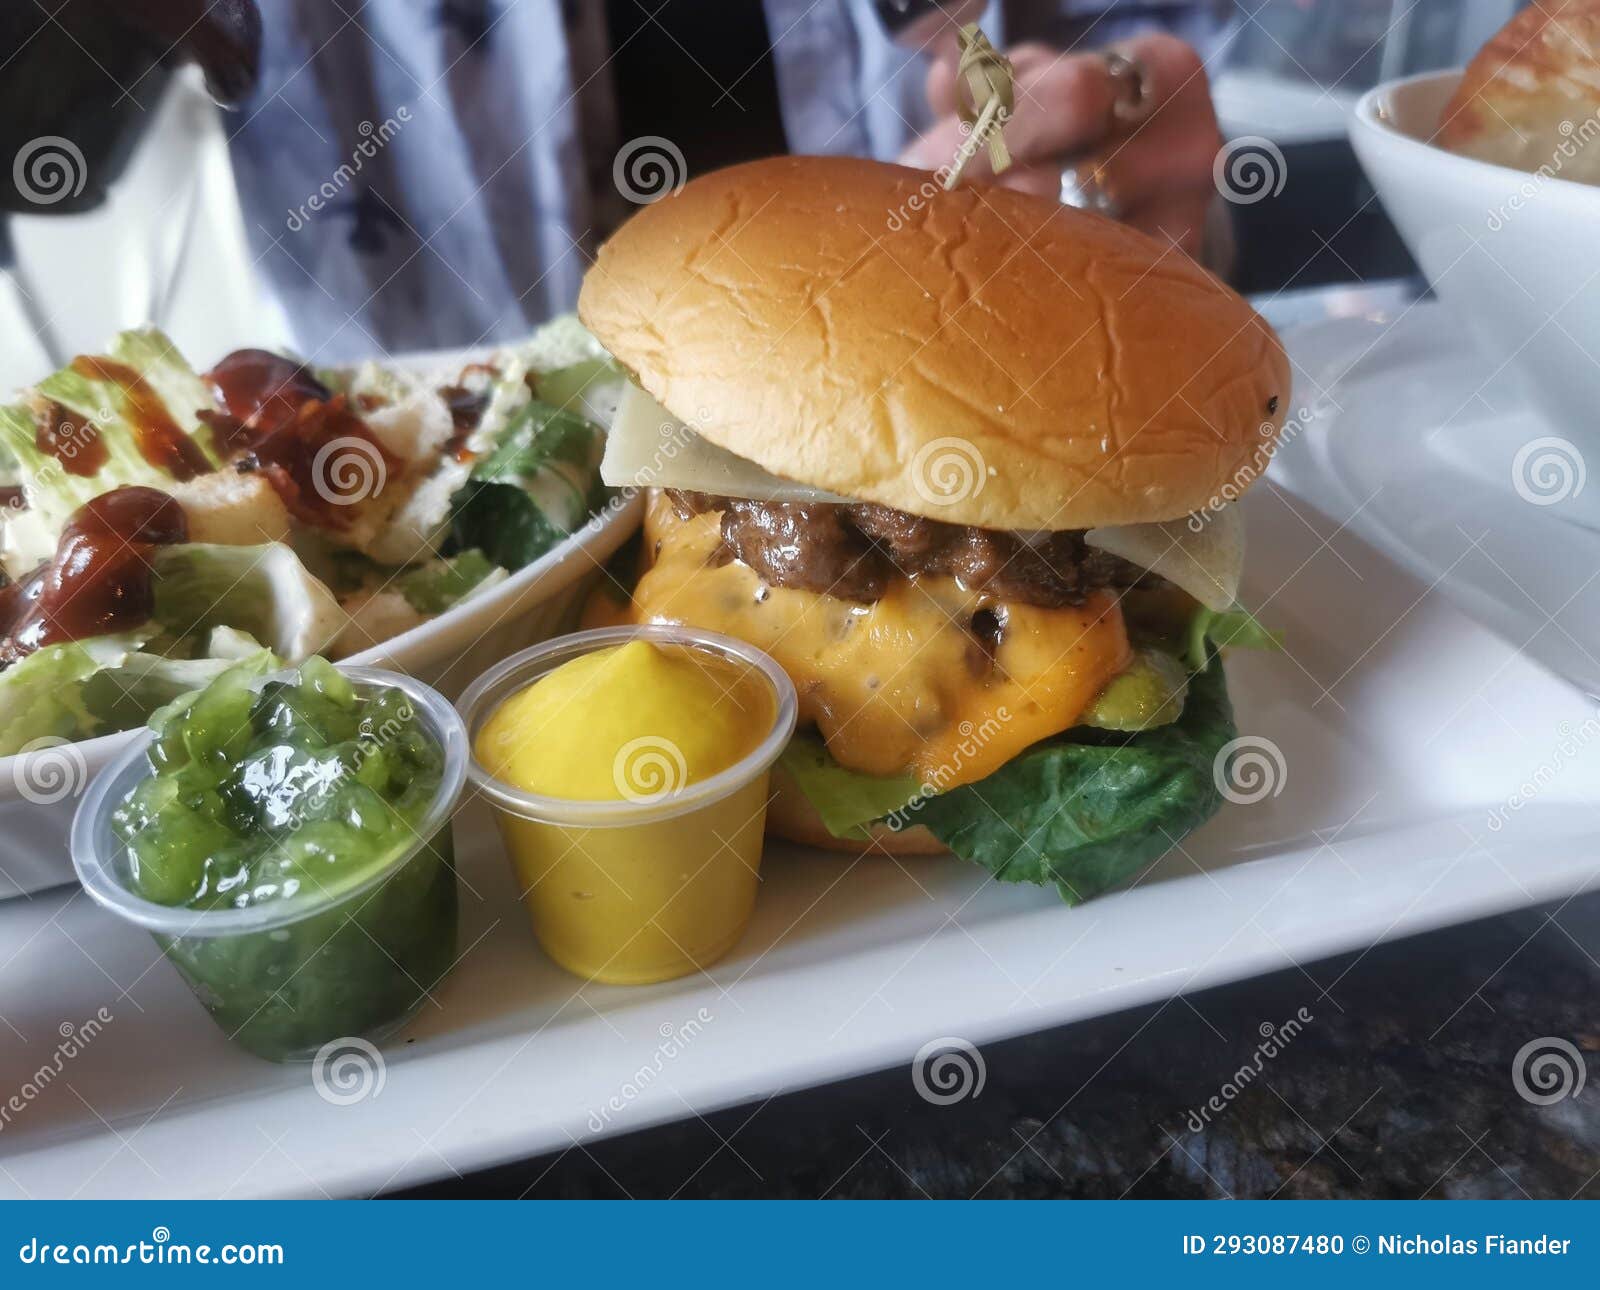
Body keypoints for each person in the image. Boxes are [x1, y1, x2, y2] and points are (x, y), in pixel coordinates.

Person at [3, 1, 1235, 361]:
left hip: (978, 417)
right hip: (437, 591)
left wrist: (1123, 125)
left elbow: (1184, 62)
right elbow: (35, 152)